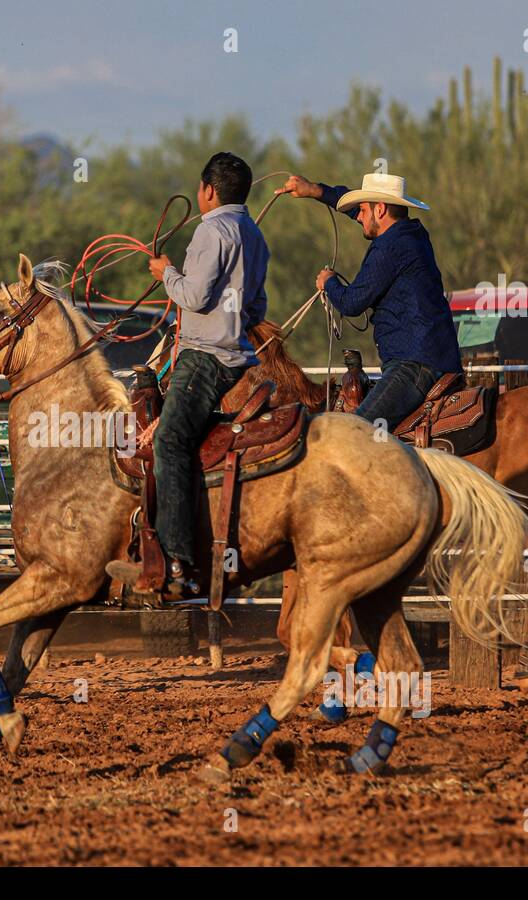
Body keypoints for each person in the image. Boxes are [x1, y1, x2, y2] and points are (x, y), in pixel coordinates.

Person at [106, 151, 269, 597]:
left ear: (208, 190)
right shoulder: (254, 235)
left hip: (203, 359)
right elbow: (258, 307)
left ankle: (174, 563)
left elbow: (194, 297)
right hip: (237, 358)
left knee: (169, 441)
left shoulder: (211, 229)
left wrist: (166, 273)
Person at [275, 171, 462, 429]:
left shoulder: (390, 248)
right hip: (430, 358)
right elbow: (361, 214)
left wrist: (328, 282)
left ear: (381, 209)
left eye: (362, 210)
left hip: (414, 365)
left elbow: (352, 303)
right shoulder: (411, 233)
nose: (358, 216)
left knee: (353, 432)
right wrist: (315, 190)